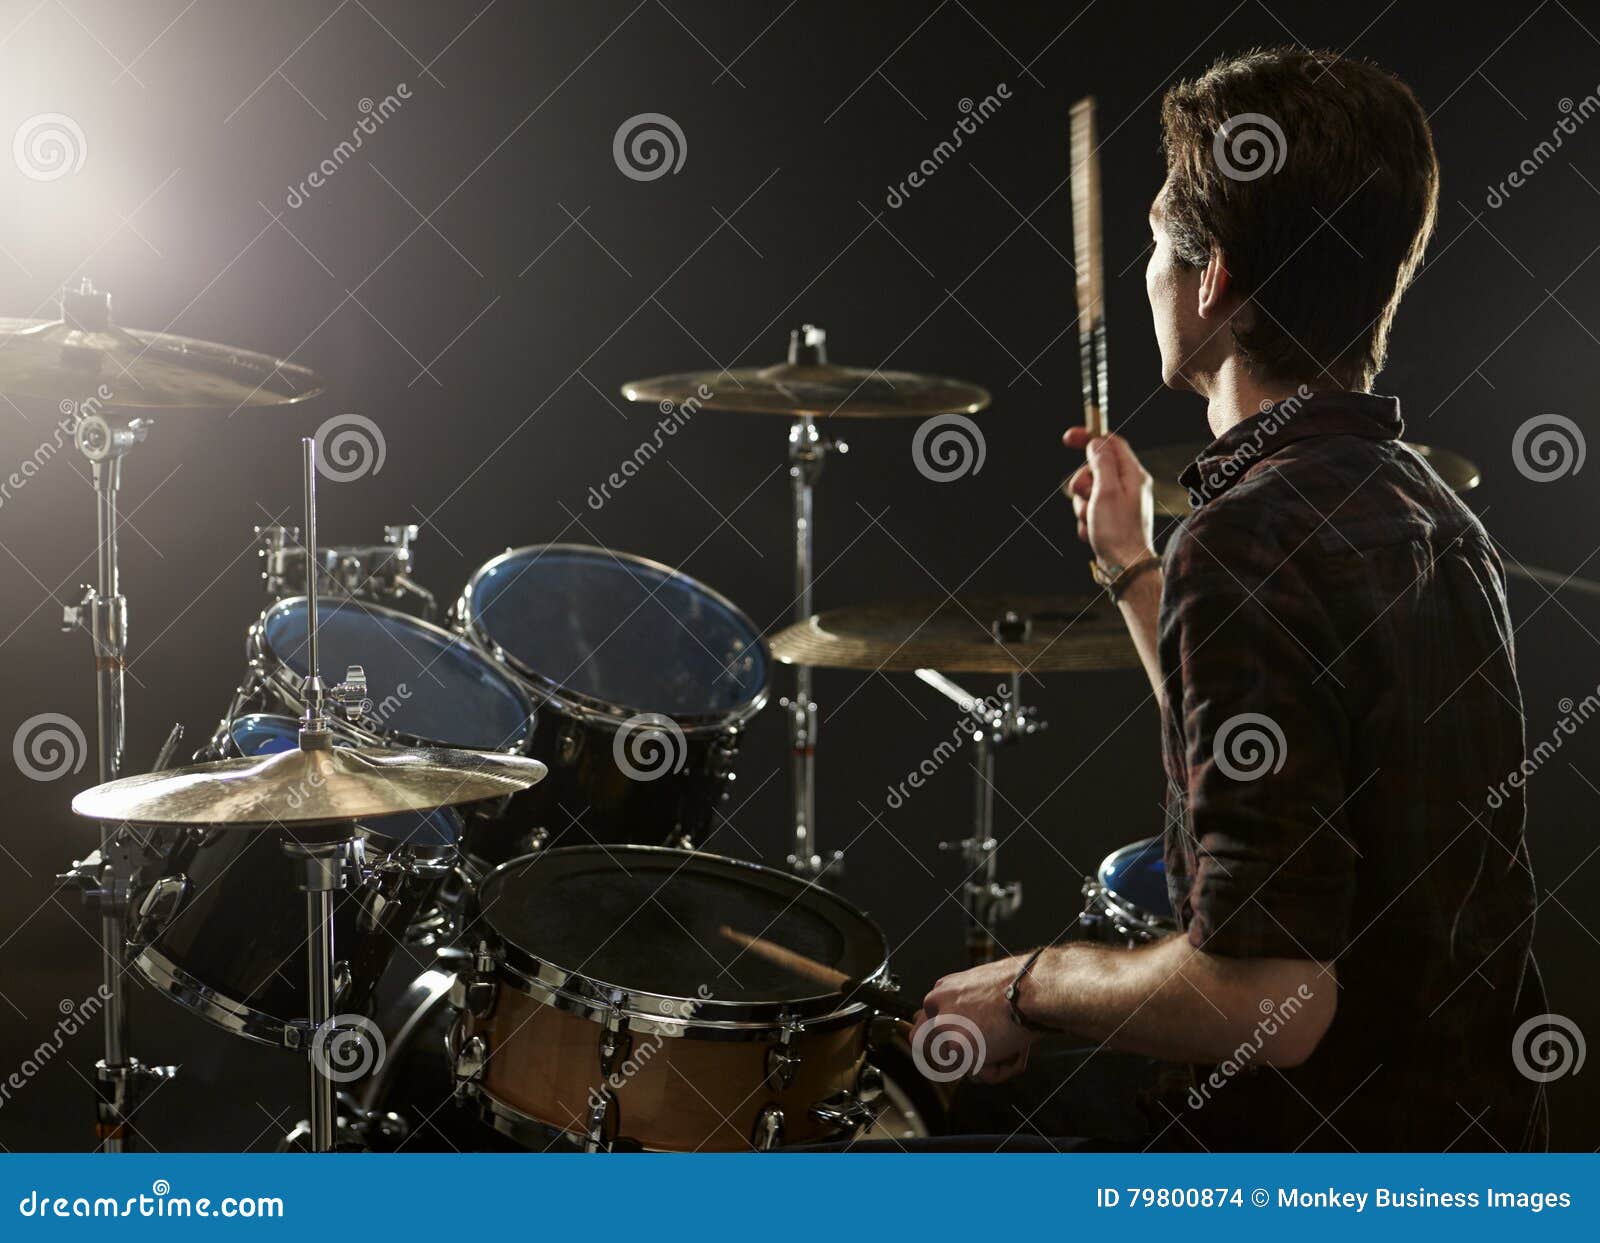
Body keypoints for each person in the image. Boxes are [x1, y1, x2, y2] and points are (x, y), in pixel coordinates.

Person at [917, 47, 1548, 1151]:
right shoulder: (1429, 509)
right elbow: (1274, 743)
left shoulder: (1250, 534)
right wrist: (1130, 565)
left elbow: (1270, 1002)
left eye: (1159, 242)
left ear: (1211, 283)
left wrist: (1028, 981)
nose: (1147, 273)